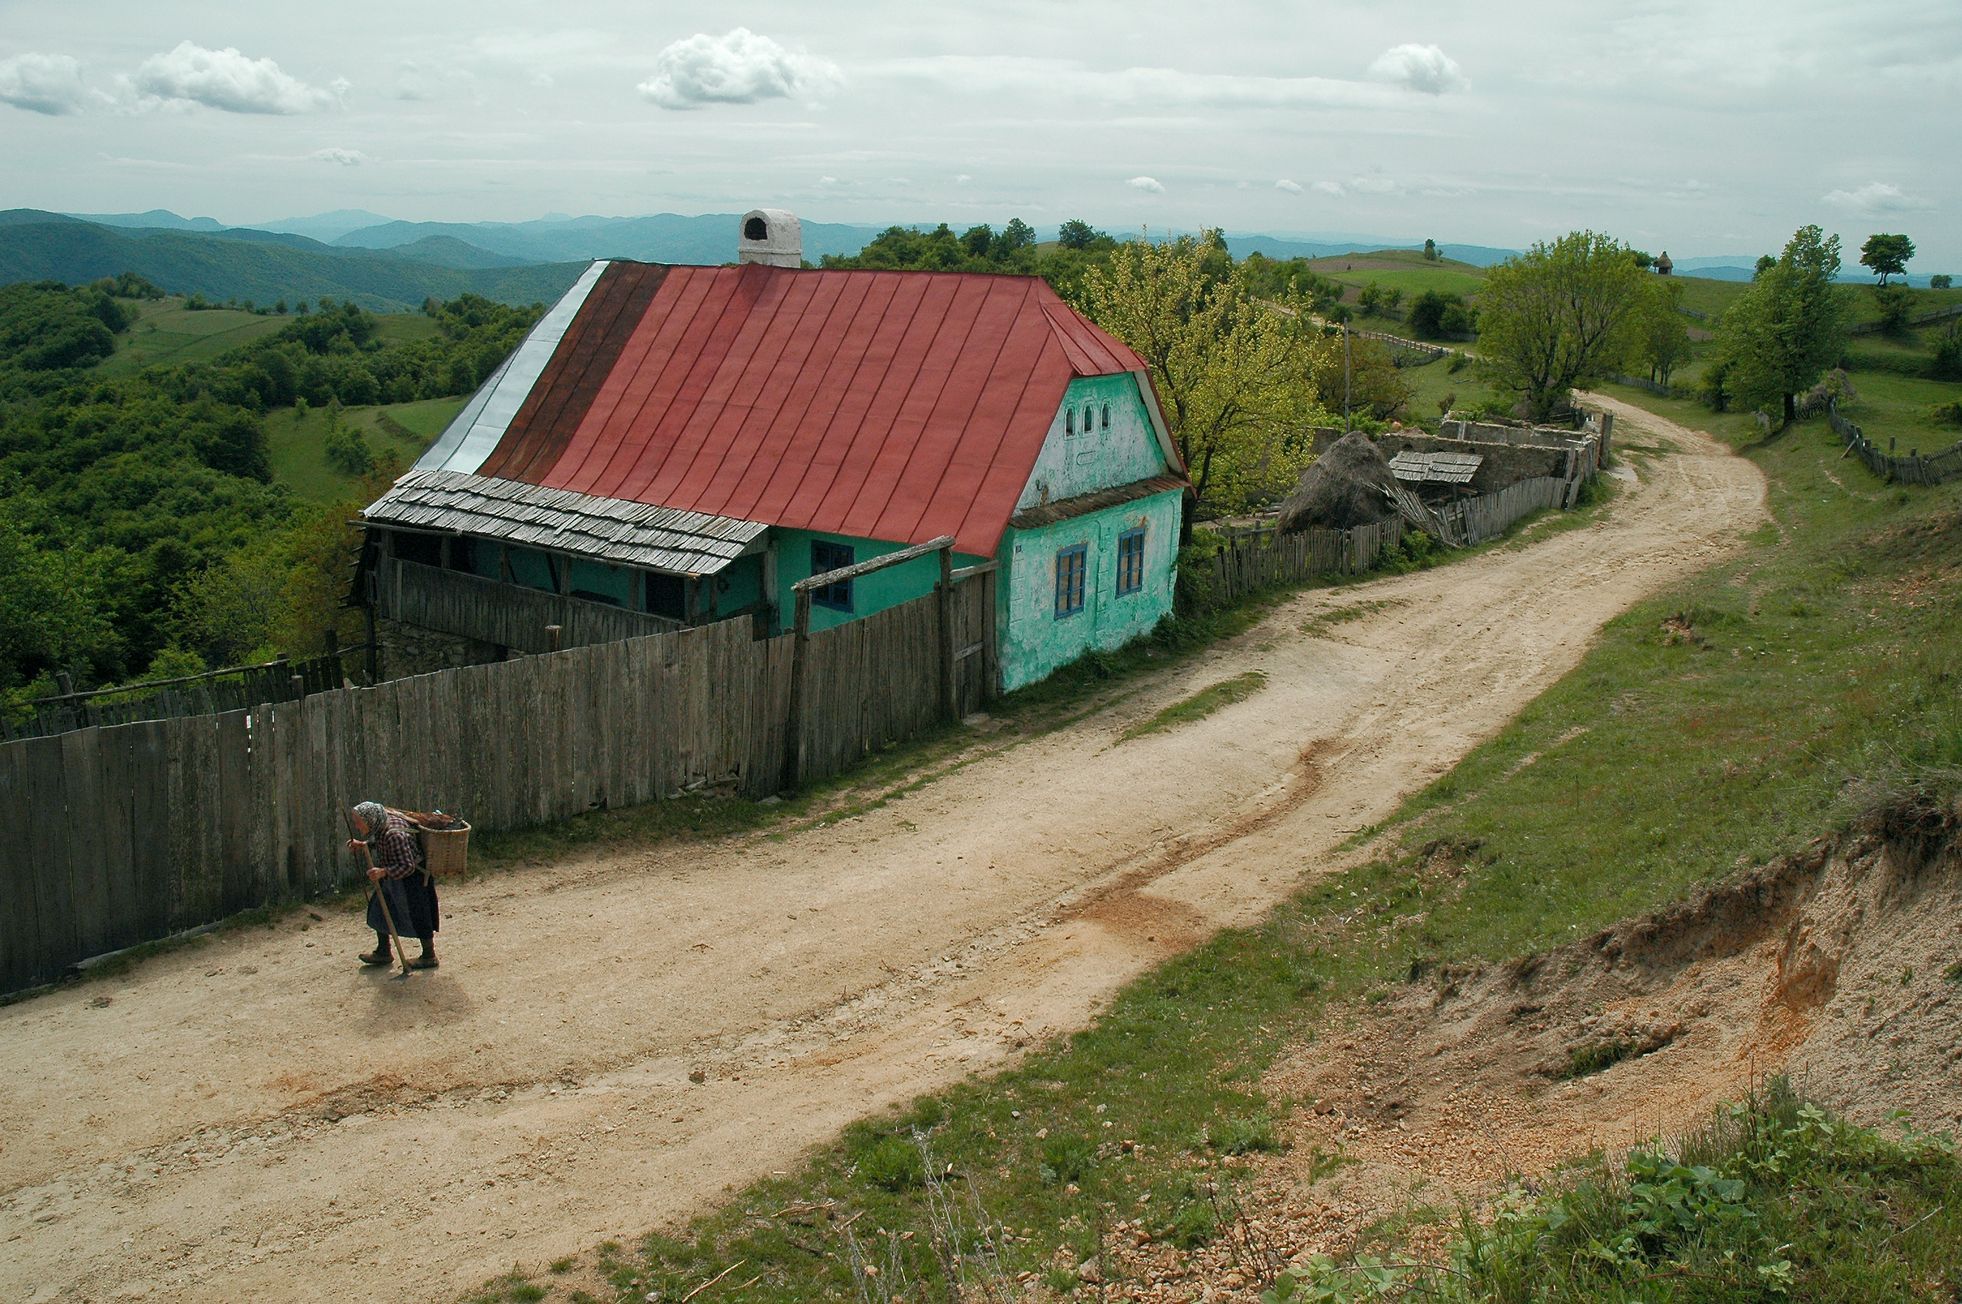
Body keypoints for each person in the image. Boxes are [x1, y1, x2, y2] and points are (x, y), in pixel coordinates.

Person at [346, 800, 440, 970]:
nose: (357, 827)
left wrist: (383, 872)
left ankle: (429, 956)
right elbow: (381, 842)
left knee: (418, 914)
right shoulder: (382, 824)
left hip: (412, 880)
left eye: (358, 822)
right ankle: (384, 952)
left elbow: (407, 866)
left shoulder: (394, 835)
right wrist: (365, 845)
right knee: (380, 909)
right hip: (393, 875)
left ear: (370, 820)